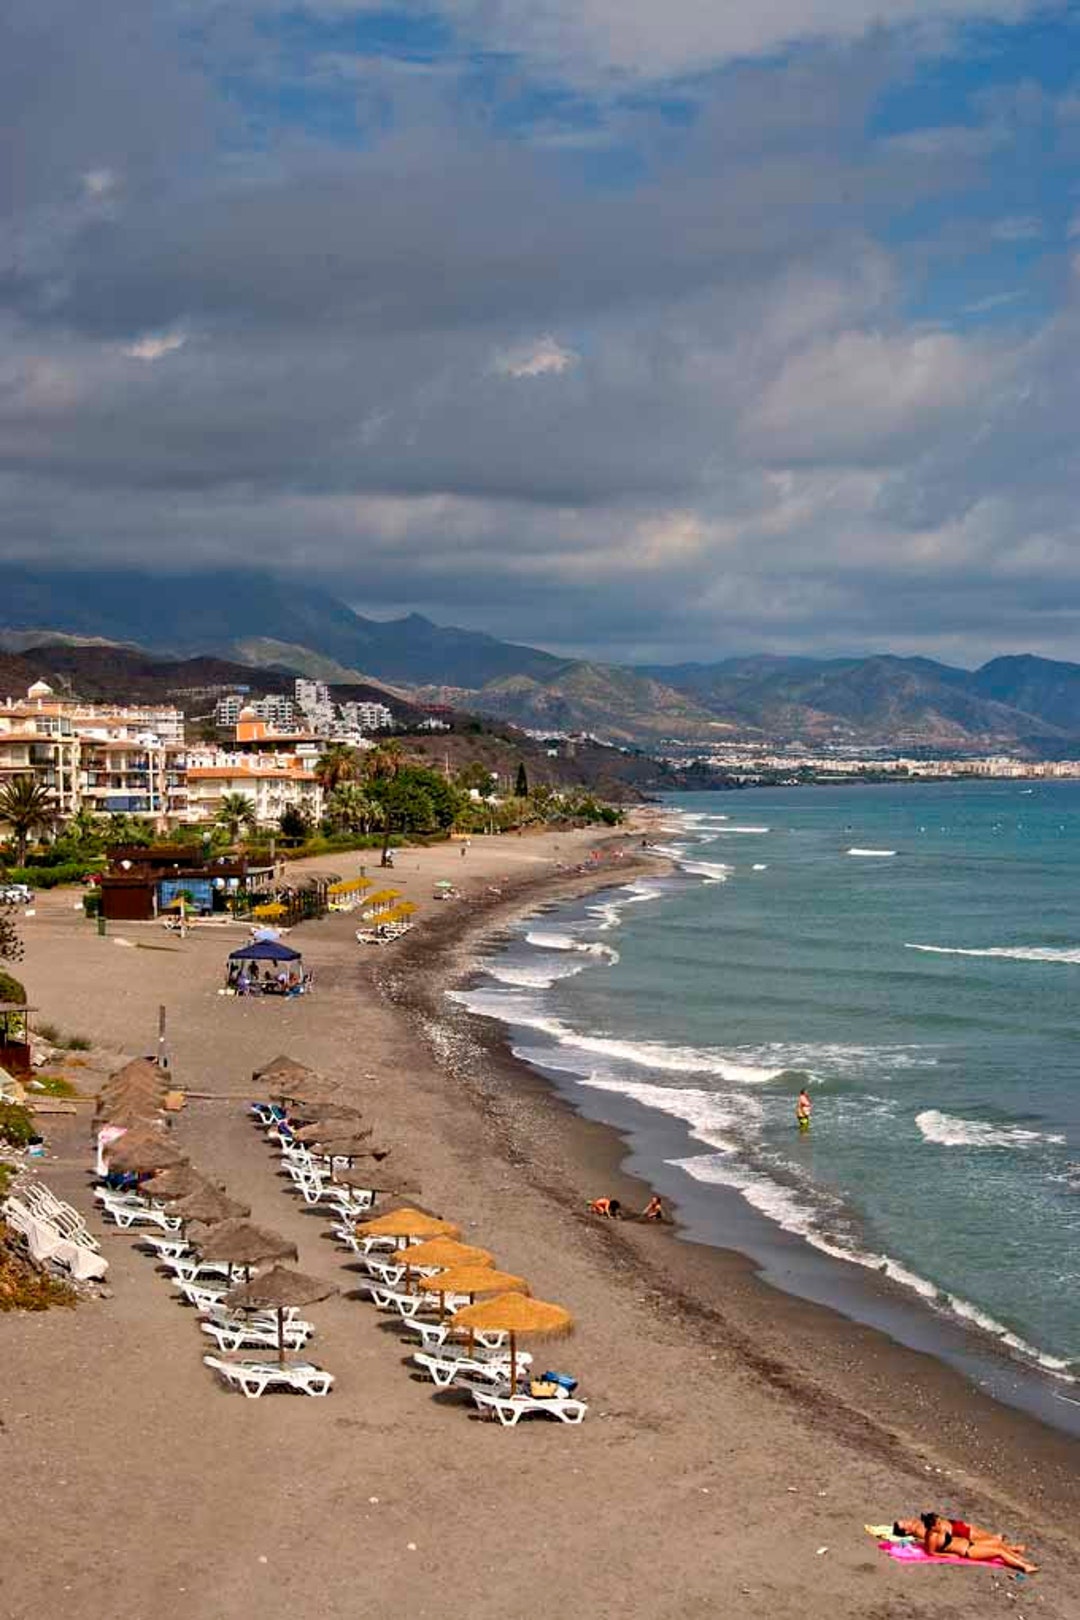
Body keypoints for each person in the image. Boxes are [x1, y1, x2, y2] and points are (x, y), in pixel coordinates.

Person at [912, 1514, 1036, 1573]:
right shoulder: (932, 1537)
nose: (941, 1525)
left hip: (969, 1543)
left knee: (996, 1543)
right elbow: (931, 1553)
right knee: (999, 1552)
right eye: (938, 1524)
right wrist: (948, 1556)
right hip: (968, 1551)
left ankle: (1020, 1559)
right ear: (932, 1527)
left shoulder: (938, 1531)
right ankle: (1024, 1567)